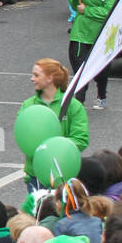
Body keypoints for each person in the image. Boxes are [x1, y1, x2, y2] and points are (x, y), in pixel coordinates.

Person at [17, 58, 89, 193]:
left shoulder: (73, 106)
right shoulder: (28, 106)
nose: (32, 79)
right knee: (38, 213)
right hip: (36, 173)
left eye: (36, 75)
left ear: (50, 78)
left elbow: (81, 139)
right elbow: (24, 136)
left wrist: (54, 149)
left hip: (64, 172)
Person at [68, 0, 119, 110]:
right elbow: (75, 4)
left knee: (101, 70)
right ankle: (80, 100)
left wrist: (88, 10)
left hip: (100, 34)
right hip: (80, 32)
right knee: (78, 67)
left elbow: (109, 11)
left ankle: (101, 95)